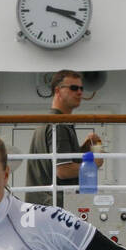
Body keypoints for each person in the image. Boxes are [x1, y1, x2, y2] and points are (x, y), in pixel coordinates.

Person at [25, 70, 104, 208]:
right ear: (58, 91)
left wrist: (81, 150)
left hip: (42, 206)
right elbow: (63, 170)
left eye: (81, 88)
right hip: (54, 208)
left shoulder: (50, 123)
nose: (79, 92)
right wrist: (93, 165)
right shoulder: (59, 125)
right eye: (73, 88)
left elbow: (55, 162)